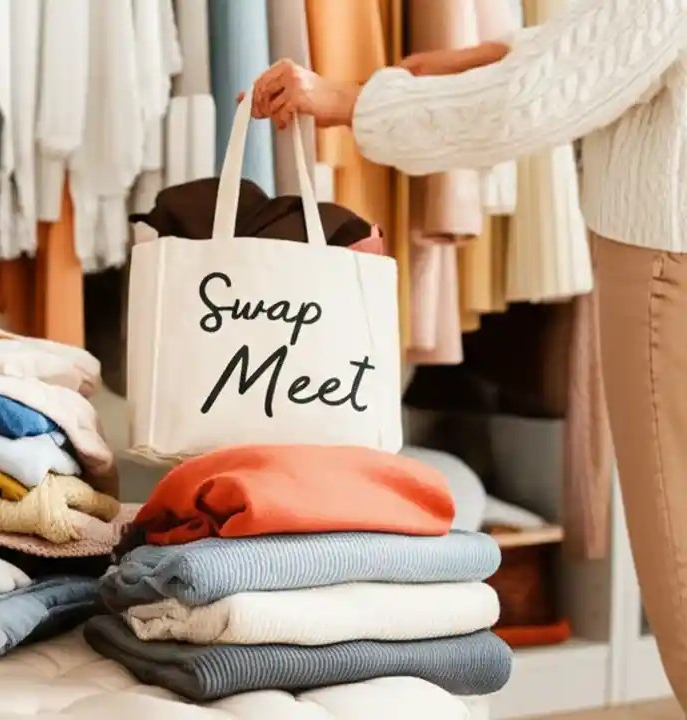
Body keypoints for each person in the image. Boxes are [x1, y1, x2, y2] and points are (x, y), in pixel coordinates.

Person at [249, 0, 687, 709]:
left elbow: (544, 94)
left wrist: (356, 102)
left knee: (678, 554)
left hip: (669, 257)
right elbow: (626, 41)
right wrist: (493, 54)